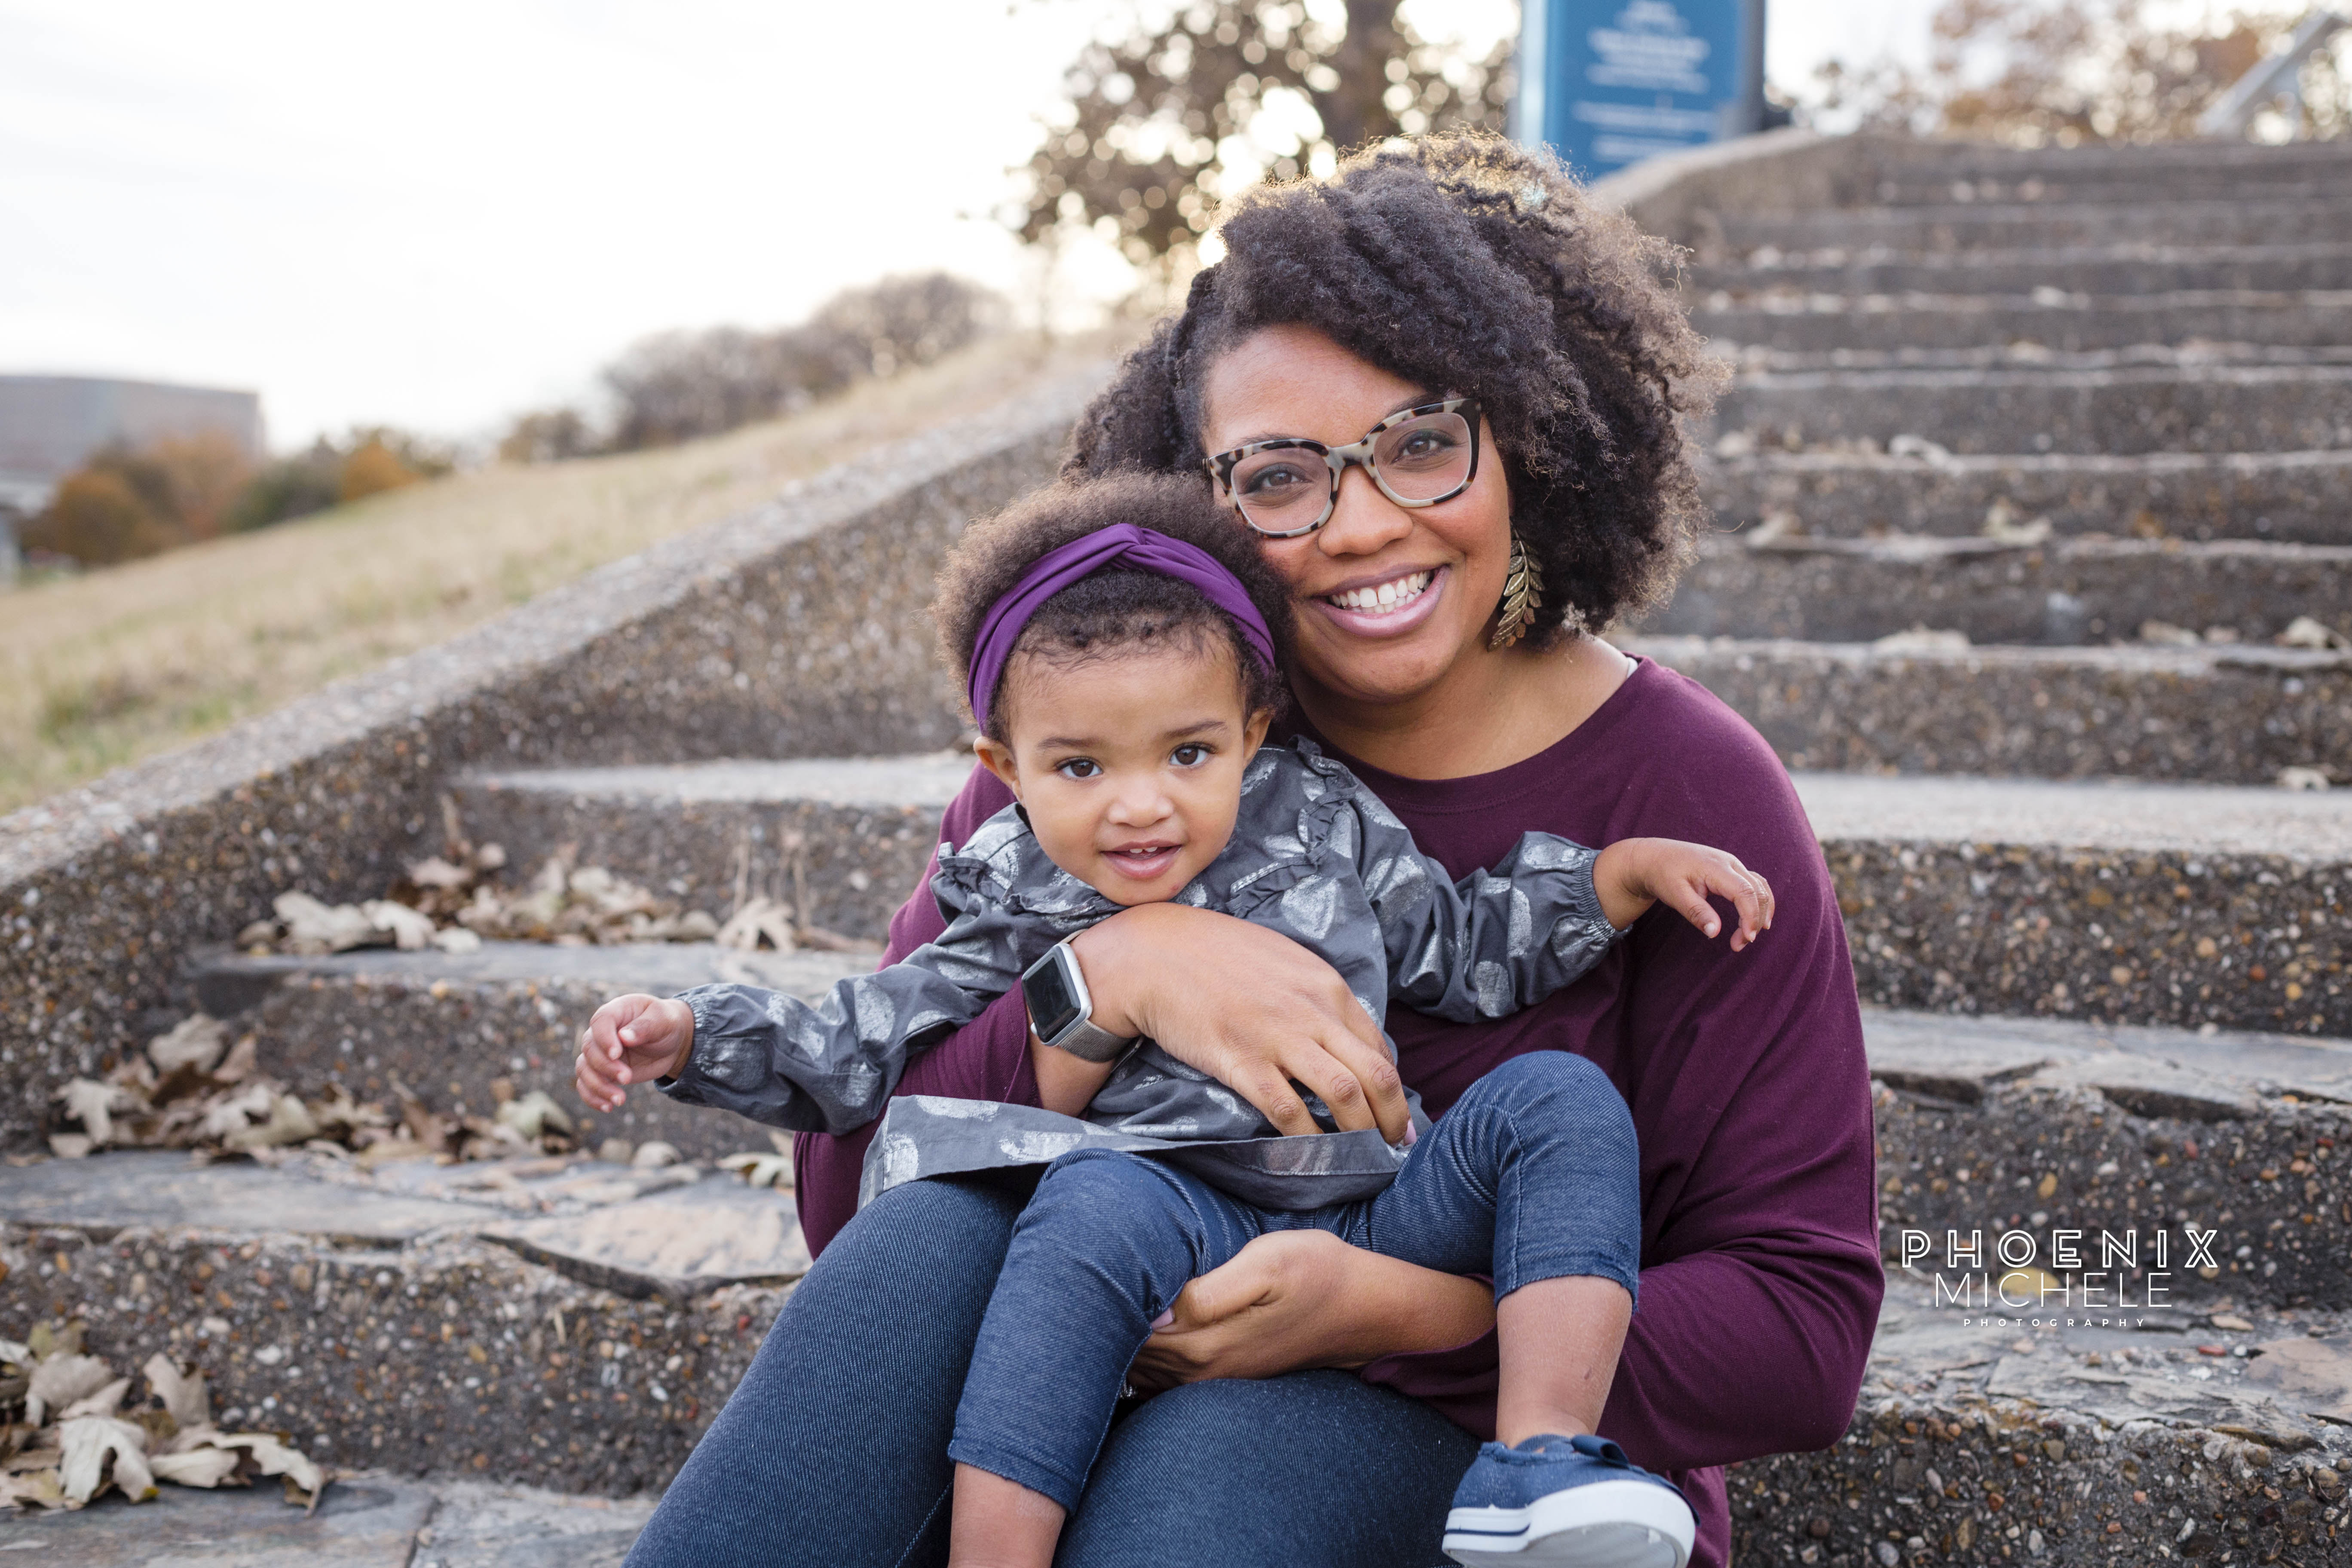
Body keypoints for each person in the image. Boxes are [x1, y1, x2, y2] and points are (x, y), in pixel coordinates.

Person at [620, 129, 1881, 1568]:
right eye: (1278, 476)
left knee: (1208, 1476)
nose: (1359, 525)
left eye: (1421, 443)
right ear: (1197, 501)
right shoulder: (1100, 755)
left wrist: (1390, 1309)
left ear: (1526, 436)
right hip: (1076, 1332)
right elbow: (856, 1203)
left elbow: (1800, 1332)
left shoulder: (1684, 791)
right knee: (937, 1247)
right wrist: (1106, 979)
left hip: (1463, 1424)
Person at [579, 475, 1773, 1568]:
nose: (1140, 805)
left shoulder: (1323, 819)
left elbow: (1459, 951)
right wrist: (698, 1035)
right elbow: (873, 1039)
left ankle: (1539, 1461)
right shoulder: (1013, 882)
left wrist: (1608, 882)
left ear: (1254, 734)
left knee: (1560, 1102)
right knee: (1083, 1212)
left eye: (1188, 752)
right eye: (1082, 769)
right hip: (1168, 1199)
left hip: (1381, 1197)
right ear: (1005, 763)